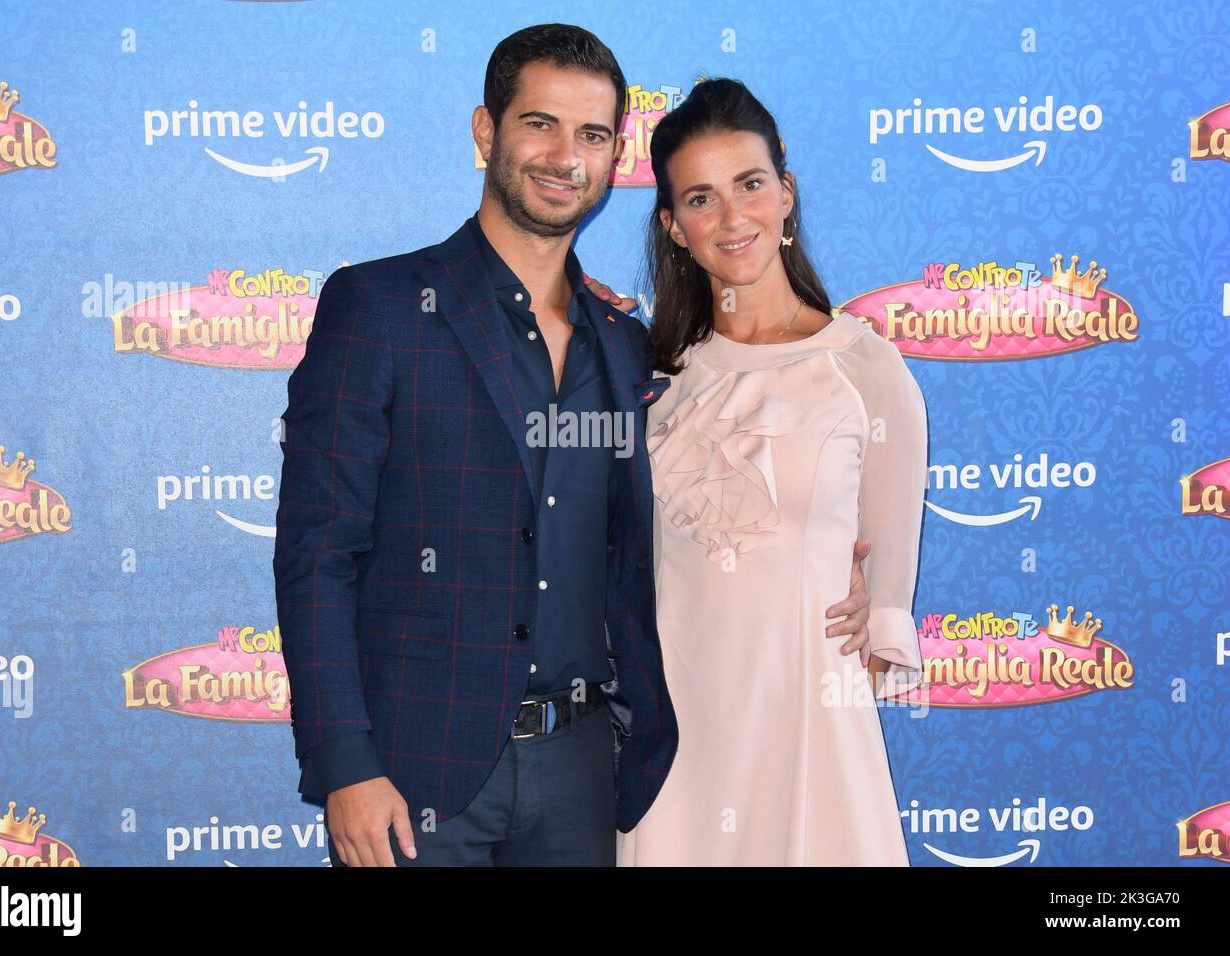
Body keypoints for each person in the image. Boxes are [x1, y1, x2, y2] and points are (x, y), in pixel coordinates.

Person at [274, 25, 873, 867]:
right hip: (413, 780)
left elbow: (674, 523)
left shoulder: (628, 350)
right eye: (540, 124)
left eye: (592, 134)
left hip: (586, 778)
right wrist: (345, 763)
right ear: (487, 131)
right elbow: (317, 551)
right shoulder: (381, 307)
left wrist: (824, 558)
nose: (565, 155)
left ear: (615, 155)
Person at [613, 78, 929, 866]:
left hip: (809, 733)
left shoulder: (867, 368)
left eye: (750, 184)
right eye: (701, 198)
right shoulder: (644, 379)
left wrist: (873, 606)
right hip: (675, 743)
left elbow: (884, 612)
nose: (732, 218)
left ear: (785, 194)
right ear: (673, 226)